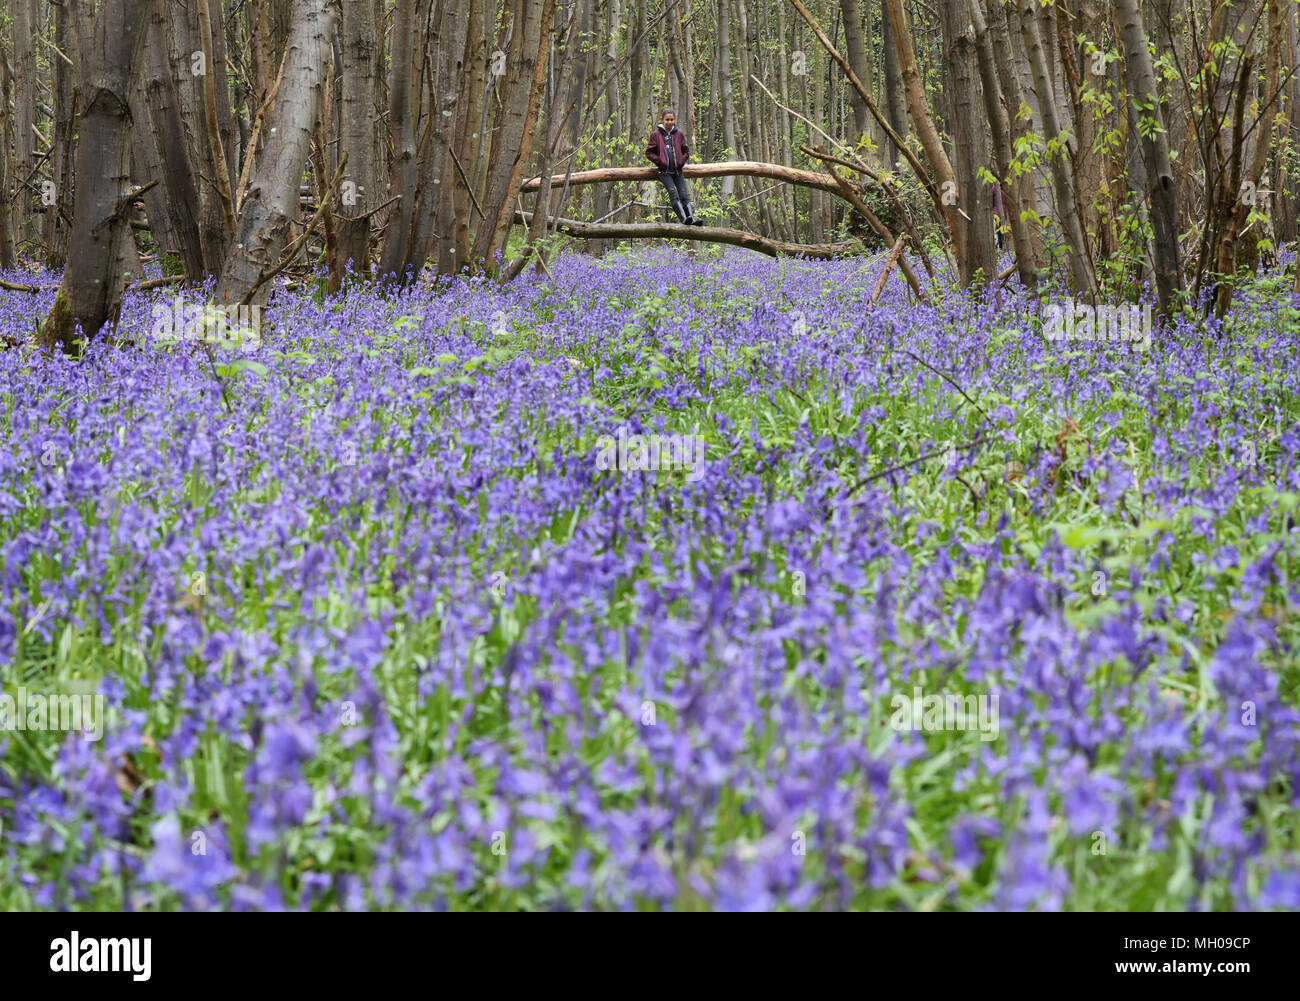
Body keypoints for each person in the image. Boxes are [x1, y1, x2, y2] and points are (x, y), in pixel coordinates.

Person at [646, 109, 703, 226]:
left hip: (677, 171)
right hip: (664, 172)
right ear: (662, 120)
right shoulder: (656, 135)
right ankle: (683, 219)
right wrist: (660, 161)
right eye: (667, 119)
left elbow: (686, 150)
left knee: (683, 195)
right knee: (673, 194)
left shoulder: (678, 134)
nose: (670, 122)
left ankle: (691, 219)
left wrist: (681, 162)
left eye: (672, 119)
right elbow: (649, 152)